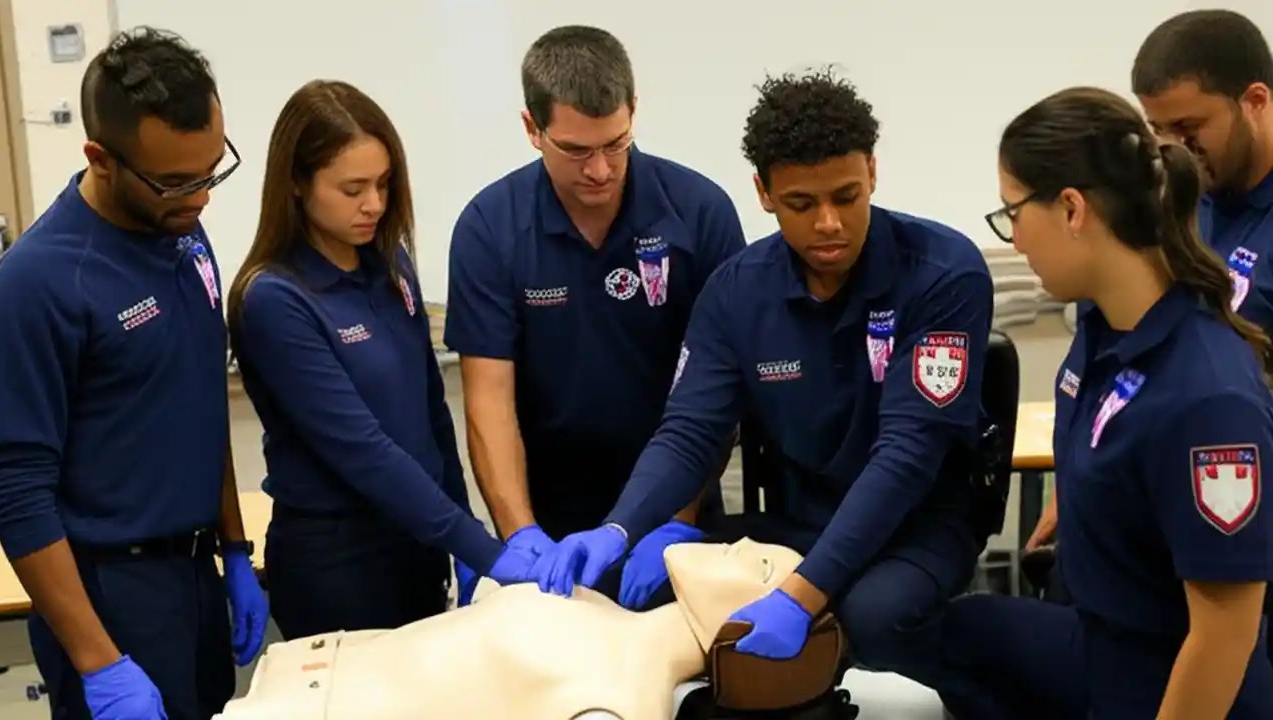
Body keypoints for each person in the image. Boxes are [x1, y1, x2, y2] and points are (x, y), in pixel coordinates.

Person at [534, 67, 997, 691]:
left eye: (847, 195)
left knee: (873, 617)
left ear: (873, 174)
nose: (829, 223)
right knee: (620, 586)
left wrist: (802, 596)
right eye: (802, 204)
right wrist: (619, 529)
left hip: (915, 524)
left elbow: (908, 456)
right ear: (763, 192)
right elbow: (689, 432)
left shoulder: (943, 272)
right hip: (798, 520)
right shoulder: (736, 290)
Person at [939, 86, 1273, 720]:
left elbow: (1225, 636)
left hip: (1171, 681)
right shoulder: (1104, 323)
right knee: (941, 632)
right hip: (1105, 637)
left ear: (1071, 209)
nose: (1013, 241)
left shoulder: (1208, 398)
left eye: (1013, 213)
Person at [0, 27, 267, 720]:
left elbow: (200, 396)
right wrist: (99, 661)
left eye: (212, 170)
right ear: (101, 158)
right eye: (177, 181)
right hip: (111, 597)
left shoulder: (180, 226)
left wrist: (235, 550)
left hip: (196, 574)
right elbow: (16, 491)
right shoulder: (38, 283)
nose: (202, 197)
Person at [226, 80, 544, 640]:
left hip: (415, 545)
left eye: (383, 183)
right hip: (338, 564)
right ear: (297, 185)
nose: (374, 203)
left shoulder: (388, 262)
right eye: (352, 189)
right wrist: (481, 548)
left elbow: (429, 409)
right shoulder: (275, 299)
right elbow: (362, 449)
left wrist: (460, 524)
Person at [442, 24, 747, 605]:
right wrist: (521, 533)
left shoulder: (700, 214)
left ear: (634, 112)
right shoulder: (490, 229)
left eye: (616, 143)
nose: (600, 171)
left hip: (675, 505)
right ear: (532, 129)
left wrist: (669, 526)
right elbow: (488, 402)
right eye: (576, 151)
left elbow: (715, 397)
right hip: (549, 514)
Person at [1026, 8, 1273, 556]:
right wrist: (1077, 480)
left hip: (1237, 502)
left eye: (1189, 129)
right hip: (1135, 495)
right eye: (1157, 130)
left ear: (1255, 101)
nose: (1174, 149)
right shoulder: (1167, 197)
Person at [215, 538, 820, 720]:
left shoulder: (624, 701)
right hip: (306, 665)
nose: (741, 541)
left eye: (762, 563)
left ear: (747, 629)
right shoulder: (600, 604)